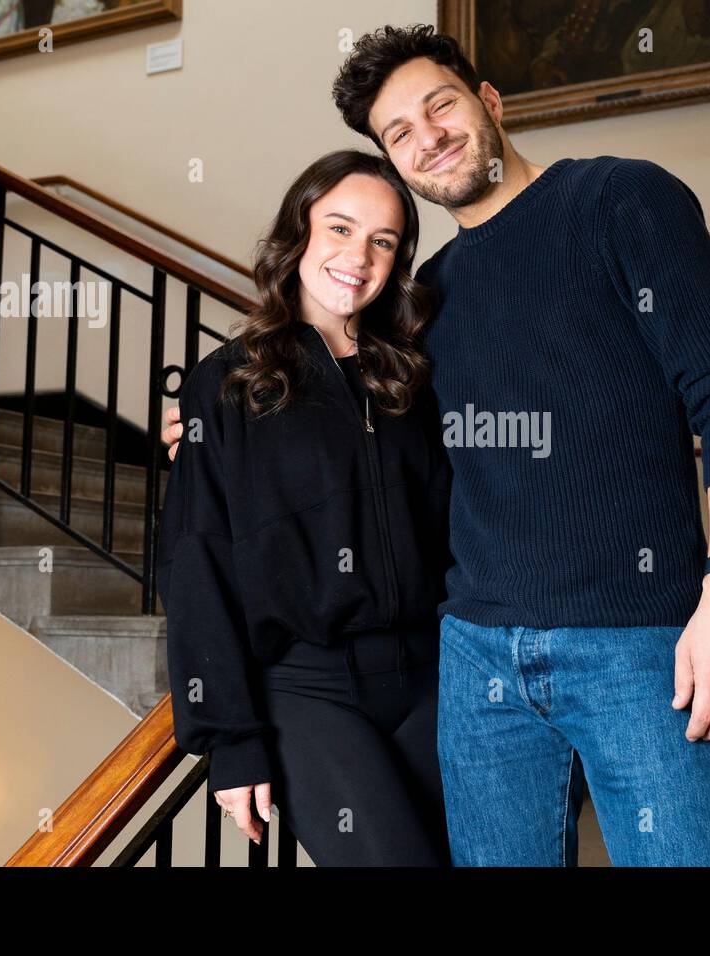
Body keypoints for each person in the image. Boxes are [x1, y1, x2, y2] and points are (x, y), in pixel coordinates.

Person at [165, 24, 710, 866]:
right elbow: (365, 454)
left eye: (441, 105)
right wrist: (216, 439)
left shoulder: (620, 201)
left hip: (636, 642)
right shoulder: (433, 301)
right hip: (476, 660)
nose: (429, 136)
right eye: (399, 132)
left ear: (489, 101)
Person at [156, 149, 453, 866]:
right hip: (307, 688)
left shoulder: (417, 372)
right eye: (341, 229)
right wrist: (230, 741)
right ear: (299, 235)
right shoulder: (227, 383)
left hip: (435, 676)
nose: (360, 255)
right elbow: (197, 563)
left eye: (383, 241)